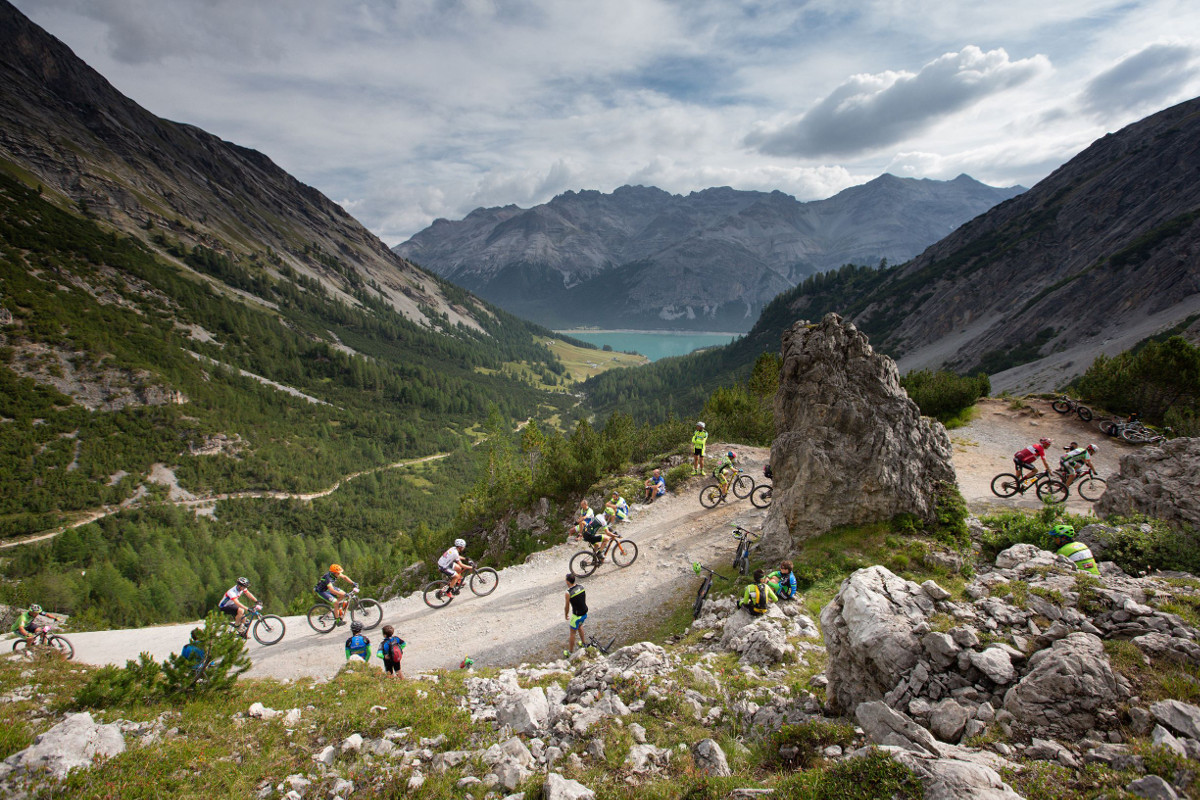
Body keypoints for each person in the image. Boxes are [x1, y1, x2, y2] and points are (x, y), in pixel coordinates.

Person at [564, 573, 589, 657]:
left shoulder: (568, 593)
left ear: (567, 582)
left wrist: (566, 614)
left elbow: (567, 606)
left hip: (576, 616)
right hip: (584, 613)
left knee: (572, 633)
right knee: (580, 626)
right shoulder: (581, 587)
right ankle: (583, 643)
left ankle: (570, 652)